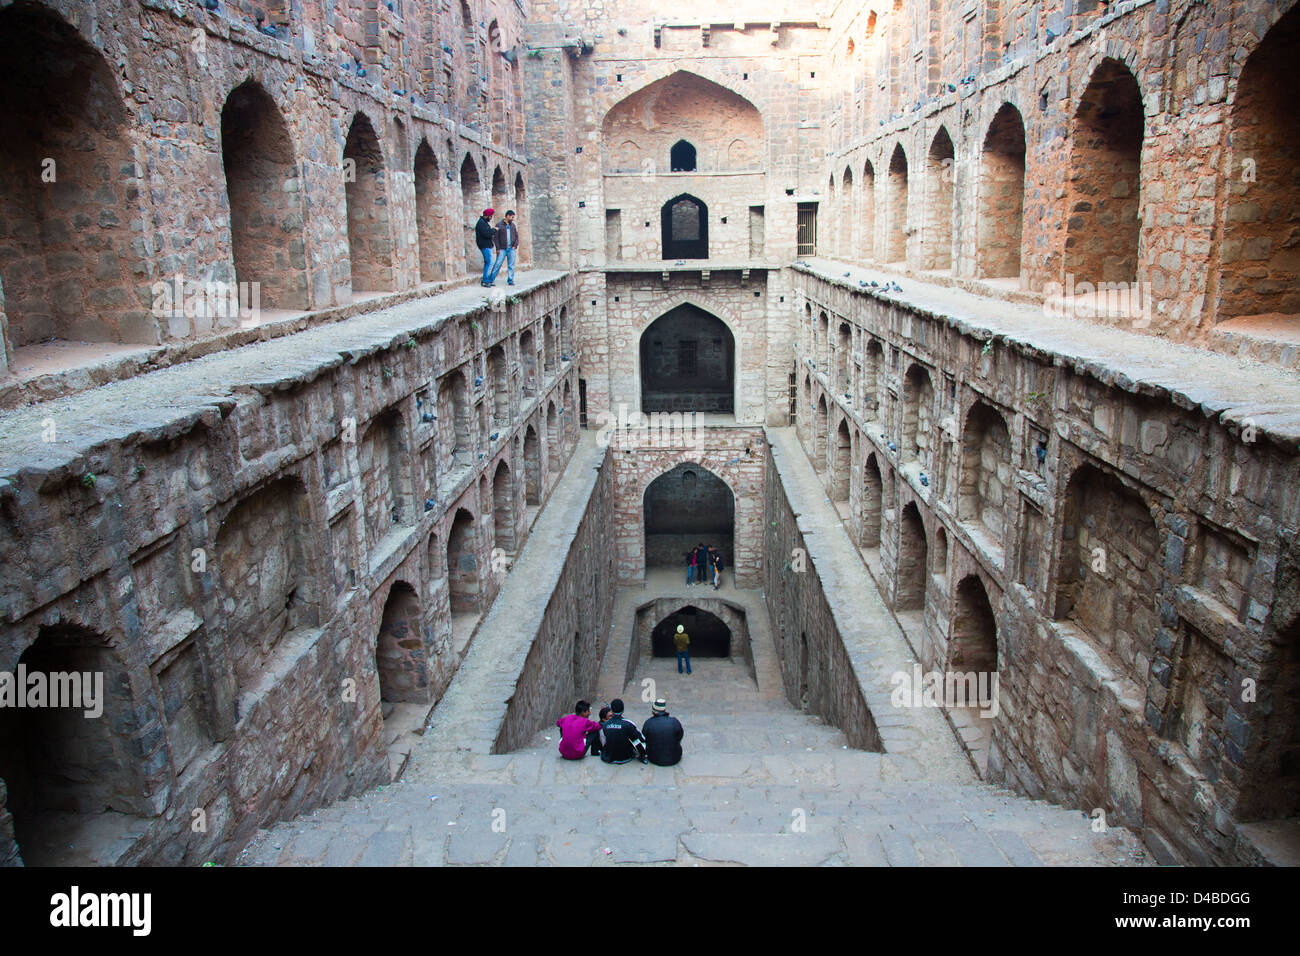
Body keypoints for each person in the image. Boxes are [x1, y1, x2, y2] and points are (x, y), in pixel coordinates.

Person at [599, 698, 647, 764]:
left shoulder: (605, 725)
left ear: (612, 710)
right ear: (623, 710)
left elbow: (604, 742)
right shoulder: (628, 723)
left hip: (608, 757)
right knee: (635, 738)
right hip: (626, 757)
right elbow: (641, 738)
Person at [643, 698, 684, 766]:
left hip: (654, 758)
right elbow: (680, 736)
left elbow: (644, 738)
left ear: (653, 711)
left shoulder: (648, 723)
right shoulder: (674, 721)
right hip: (675, 758)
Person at [487, 209, 520, 286]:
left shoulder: (513, 225)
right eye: (512, 217)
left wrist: (515, 245)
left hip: (511, 249)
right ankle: (490, 279)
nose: (513, 219)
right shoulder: (499, 225)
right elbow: (495, 238)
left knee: (511, 265)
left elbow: (516, 236)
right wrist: (498, 248)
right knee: (497, 264)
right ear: (507, 216)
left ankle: (510, 280)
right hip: (502, 249)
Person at [475, 208, 497, 287]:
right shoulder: (481, 223)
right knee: (489, 263)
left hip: (487, 245)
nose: (491, 218)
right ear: (487, 216)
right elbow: (487, 233)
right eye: (490, 216)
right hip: (485, 245)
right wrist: (494, 230)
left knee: (489, 263)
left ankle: (487, 280)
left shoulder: (483, 222)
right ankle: (485, 281)